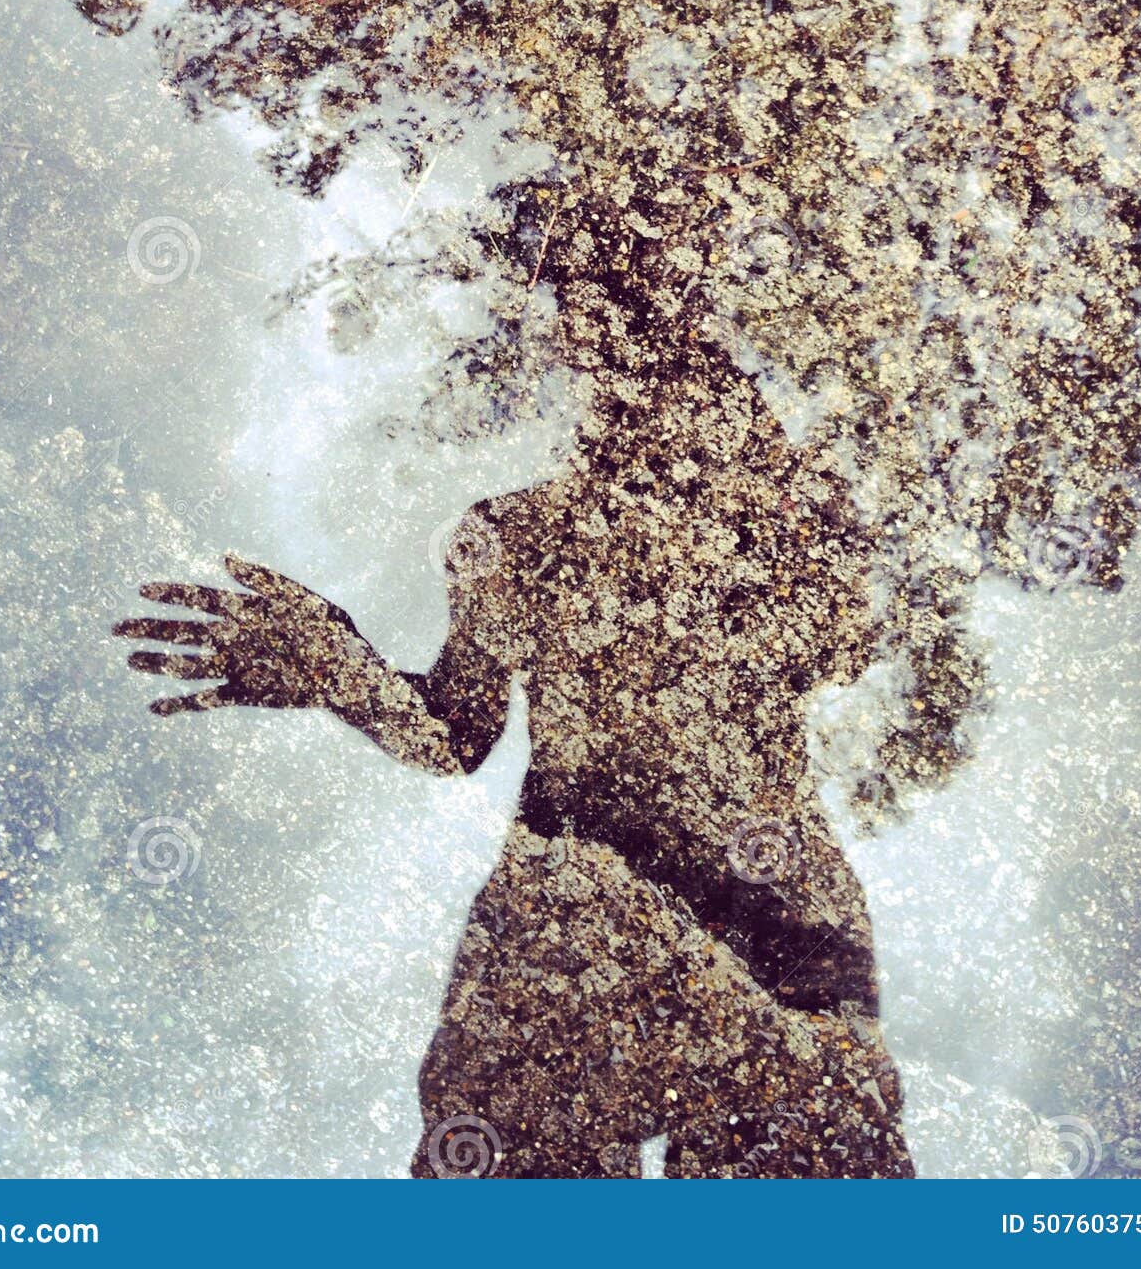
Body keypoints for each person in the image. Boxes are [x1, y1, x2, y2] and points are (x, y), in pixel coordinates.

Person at [116, 271, 913, 1179]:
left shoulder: (782, 524)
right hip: (583, 908)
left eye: (645, 333)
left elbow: (848, 634)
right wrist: (344, 673)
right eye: (598, 343)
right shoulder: (524, 534)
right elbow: (456, 731)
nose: (612, 369)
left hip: (735, 907)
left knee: (803, 1156)